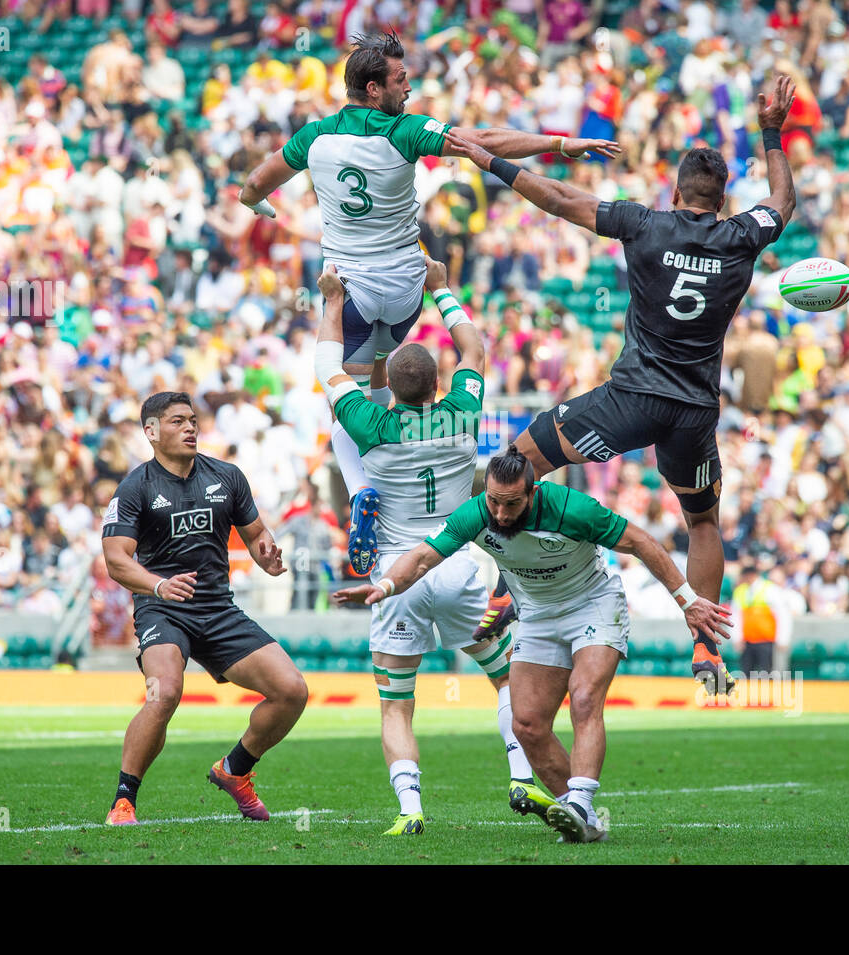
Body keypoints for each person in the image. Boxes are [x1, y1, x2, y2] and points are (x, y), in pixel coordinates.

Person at [441, 74, 796, 694]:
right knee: (703, 523)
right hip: (692, 414)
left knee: (517, 462)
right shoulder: (743, 236)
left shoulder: (645, 225)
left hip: (628, 402)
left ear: (676, 190)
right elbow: (784, 202)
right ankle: (707, 650)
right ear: (721, 198)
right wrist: (772, 130)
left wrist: (491, 160)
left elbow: (556, 199)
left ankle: (504, 597)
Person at [240, 31, 619, 579]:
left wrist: (260, 206)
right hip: (405, 291)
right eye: (400, 81)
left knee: (349, 396)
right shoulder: (407, 132)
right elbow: (483, 140)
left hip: (347, 288)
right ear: (373, 88)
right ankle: (399, 501)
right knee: (375, 379)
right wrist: (558, 144)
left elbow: (254, 182)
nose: (410, 88)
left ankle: (362, 494)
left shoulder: (313, 137)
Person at [332, 447, 731, 843]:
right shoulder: (476, 514)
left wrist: (688, 603)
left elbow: (640, 542)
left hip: (592, 604)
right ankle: (584, 820)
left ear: (533, 491)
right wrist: (384, 586)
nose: (501, 514)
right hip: (537, 614)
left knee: (585, 696)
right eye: (494, 502)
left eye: (512, 504)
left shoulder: (573, 508)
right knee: (526, 724)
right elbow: (421, 558)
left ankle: (579, 801)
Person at [315, 259, 553, 834]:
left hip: (395, 574)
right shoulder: (463, 411)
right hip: (457, 563)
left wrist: (330, 301)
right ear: (438, 383)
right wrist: (442, 289)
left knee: (397, 703)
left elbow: (326, 368)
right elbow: (474, 349)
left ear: (389, 390)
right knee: (504, 679)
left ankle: (410, 810)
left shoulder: (373, 424)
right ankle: (521, 776)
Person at [100, 391, 308, 826]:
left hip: (217, 608)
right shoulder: (134, 487)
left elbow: (256, 535)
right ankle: (124, 800)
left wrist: (265, 555)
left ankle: (234, 770)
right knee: (165, 693)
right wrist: (158, 585)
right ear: (151, 432)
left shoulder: (228, 476)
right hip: (163, 609)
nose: (190, 427)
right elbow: (117, 560)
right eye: (178, 421)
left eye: (192, 420)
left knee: (292, 691)